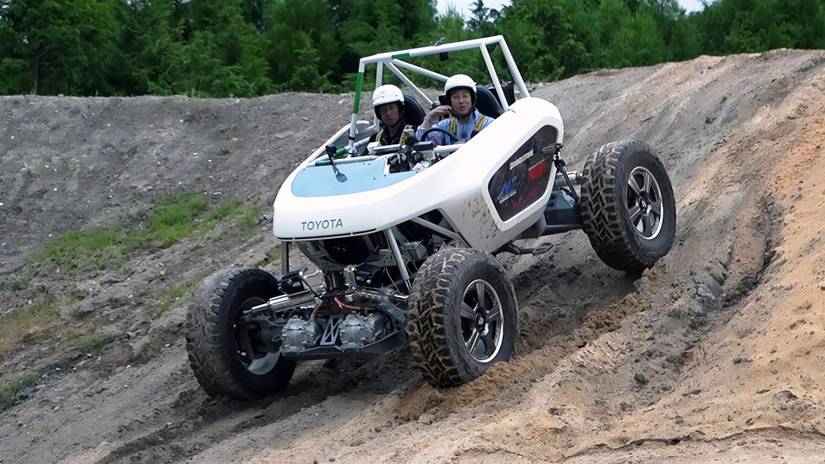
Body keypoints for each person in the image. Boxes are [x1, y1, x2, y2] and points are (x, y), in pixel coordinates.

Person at [416, 74, 493, 145]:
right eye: (455, 97)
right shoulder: (445, 126)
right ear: (449, 101)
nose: (461, 101)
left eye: (465, 96)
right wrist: (430, 117)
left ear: (472, 99)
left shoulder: (489, 124)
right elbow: (422, 140)